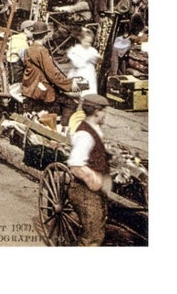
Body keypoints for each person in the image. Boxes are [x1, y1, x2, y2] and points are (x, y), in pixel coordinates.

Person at [67, 94, 112, 246]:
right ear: (96, 111)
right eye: (104, 111)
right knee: (92, 238)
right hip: (84, 192)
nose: (106, 115)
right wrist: (92, 178)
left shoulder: (94, 129)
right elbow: (75, 164)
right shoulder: (85, 135)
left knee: (97, 230)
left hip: (93, 191)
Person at [22, 20, 82, 130]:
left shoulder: (30, 49)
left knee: (60, 95)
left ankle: (49, 121)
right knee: (71, 102)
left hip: (31, 87)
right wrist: (70, 85)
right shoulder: (41, 51)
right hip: (40, 89)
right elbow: (52, 75)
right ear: (45, 35)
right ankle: (62, 131)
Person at [66, 27, 100, 95]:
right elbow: (76, 63)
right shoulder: (76, 49)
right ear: (81, 40)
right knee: (79, 90)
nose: (87, 44)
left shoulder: (92, 50)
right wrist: (86, 59)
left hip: (89, 72)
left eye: (89, 42)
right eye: (85, 41)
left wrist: (96, 59)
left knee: (90, 89)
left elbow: (97, 59)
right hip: (79, 72)